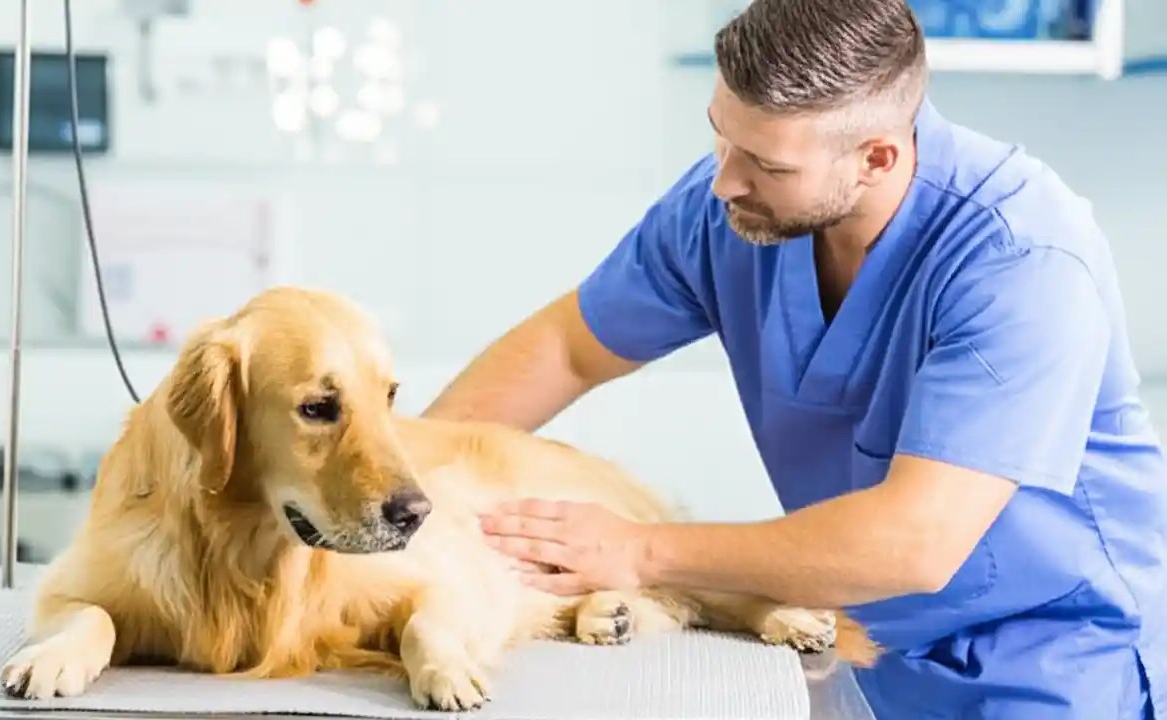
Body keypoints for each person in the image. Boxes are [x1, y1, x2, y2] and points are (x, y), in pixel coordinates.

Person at [419, 0, 1167, 717]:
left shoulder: (1021, 260)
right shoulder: (726, 209)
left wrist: (640, 550)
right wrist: (409, 490)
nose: (724, 181)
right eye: (721, 136)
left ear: (876, 158)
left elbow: (917, 541)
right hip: (872, 648)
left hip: (1056, 663)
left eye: (766, 166)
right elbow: (571, 349)